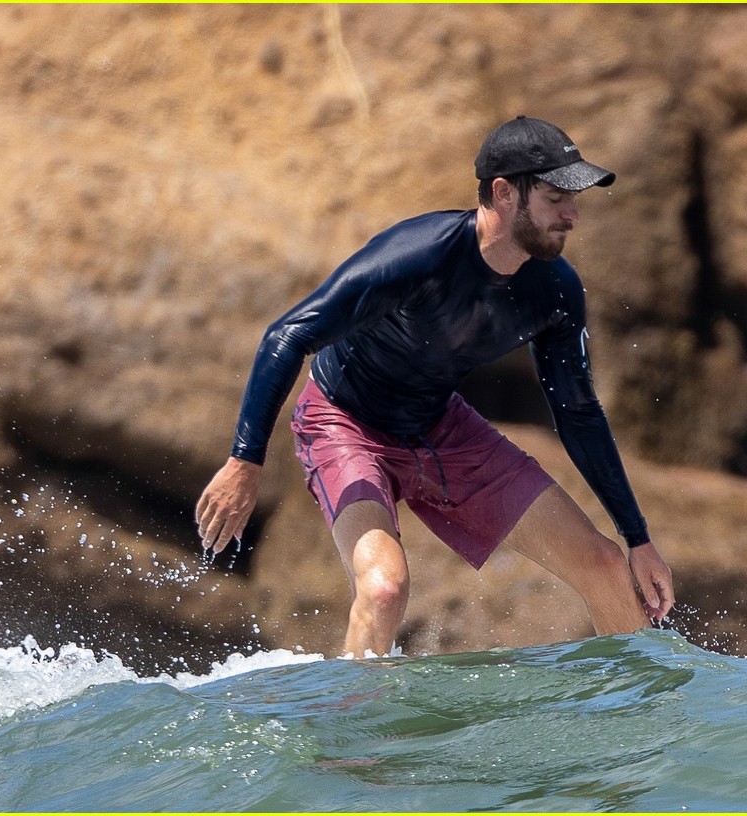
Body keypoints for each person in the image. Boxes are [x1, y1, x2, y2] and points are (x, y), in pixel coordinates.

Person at [196, 115, 675, 657]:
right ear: (503, 192)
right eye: (554, 196)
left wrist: (637, 537)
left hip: (439, 426)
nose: (572, 213)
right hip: (344, 424)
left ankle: (643, 734)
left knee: (609, 567)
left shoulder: (555, 291)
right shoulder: (415, 257)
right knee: (383, 589)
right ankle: (351, 740)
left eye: (574, 197)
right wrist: (244, 462)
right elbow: (288, 335)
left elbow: (578, 412)